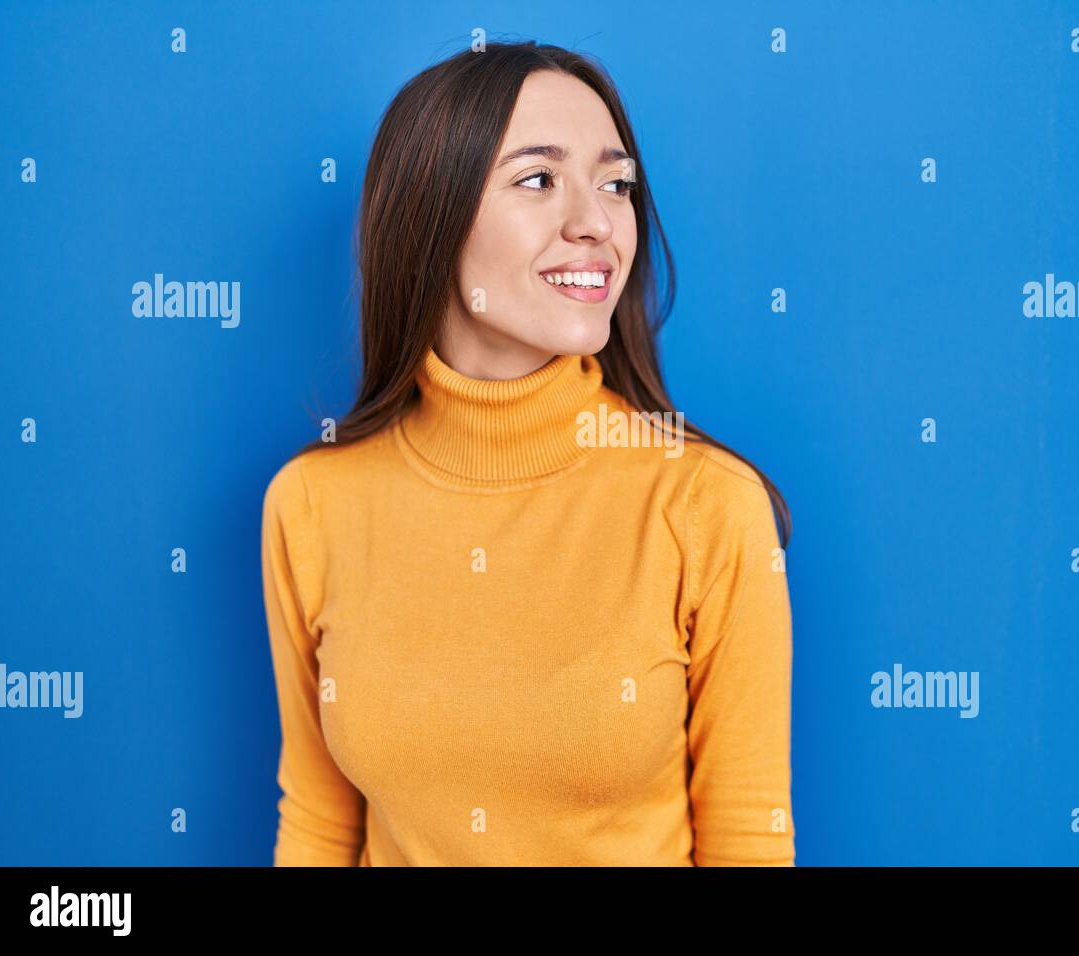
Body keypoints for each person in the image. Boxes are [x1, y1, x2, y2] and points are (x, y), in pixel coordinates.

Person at [260, 40, 795, 866]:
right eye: (538, 179)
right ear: (429, 217)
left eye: (615, 185)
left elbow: (747, 839)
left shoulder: (707, 505)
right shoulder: (311, 503)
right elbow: (321, 824)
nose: (596, 222)